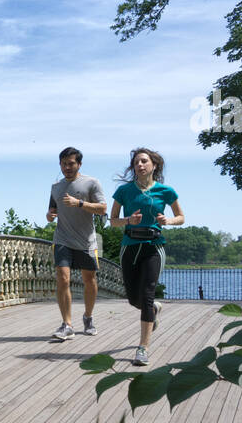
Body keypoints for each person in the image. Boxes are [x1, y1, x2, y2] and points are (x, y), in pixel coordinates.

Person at [109, 148, 184, 365]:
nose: (140, 165)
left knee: (148, 293)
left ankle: (143, 348)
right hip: (130, 245)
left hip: (153, 246)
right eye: (136, 163)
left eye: (144, 161)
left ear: (154, 165)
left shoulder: (165, 191)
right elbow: (113, 220)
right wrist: (127, 221)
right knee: (134, 298)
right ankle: (153, 310)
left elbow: (181, 217)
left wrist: (168, 221)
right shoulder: (124, 191)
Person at [46, 147, 107, 340]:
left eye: (71, 163)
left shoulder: (91, 183)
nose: (67, 167)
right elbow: (51, 211)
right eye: (64, 164)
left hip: (86, 241)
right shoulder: (56, 187)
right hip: (62, 239)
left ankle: (88, 317)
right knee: (63, 278)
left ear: (79, 164)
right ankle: (67, 324)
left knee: (90, 280)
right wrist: (49, 215)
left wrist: (80, 203)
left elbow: (103, 208)